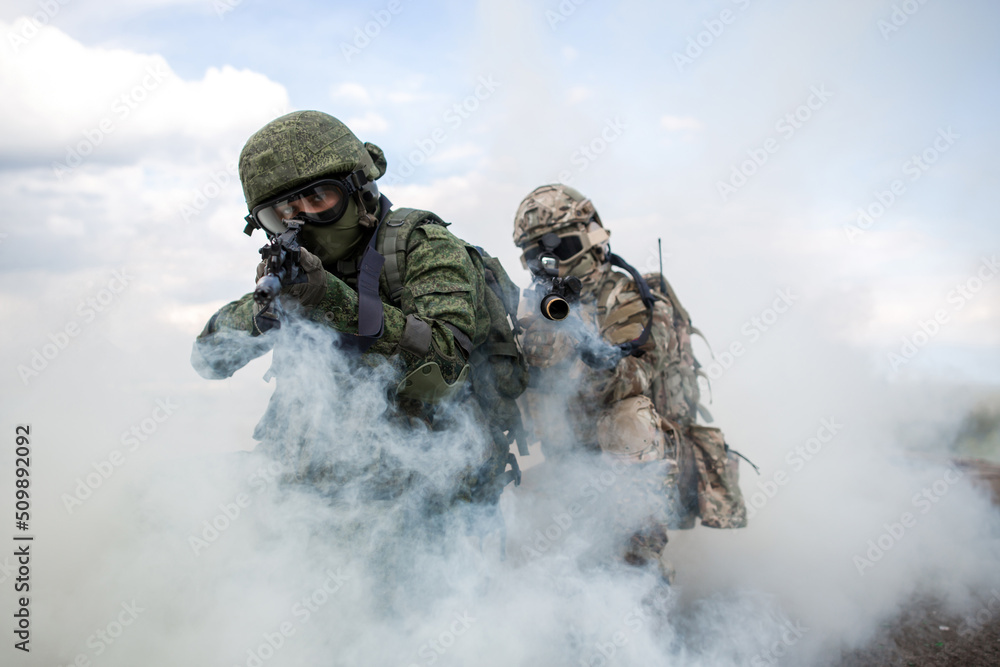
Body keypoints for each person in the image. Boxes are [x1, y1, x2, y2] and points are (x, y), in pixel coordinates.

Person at [190, 110, 525, 516]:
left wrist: (330, 300)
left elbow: (445, 365)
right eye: (281, 213)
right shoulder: (296, 273)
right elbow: (208, 359)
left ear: (359, 190)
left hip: (431, 494)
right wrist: (266, 313)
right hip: (316, 489)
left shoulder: (423, 247)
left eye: (318, 199)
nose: (301, 221)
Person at [512, 184, 747, 578]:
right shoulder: (540, 313)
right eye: (536, 255)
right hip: (575, 461)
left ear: (591, 238)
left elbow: (635, 378)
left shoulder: (634, 297)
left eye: (559, 248)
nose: (550, 262)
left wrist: (580, 353)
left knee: (628, 419)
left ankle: (639, 576)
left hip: (654, 459)